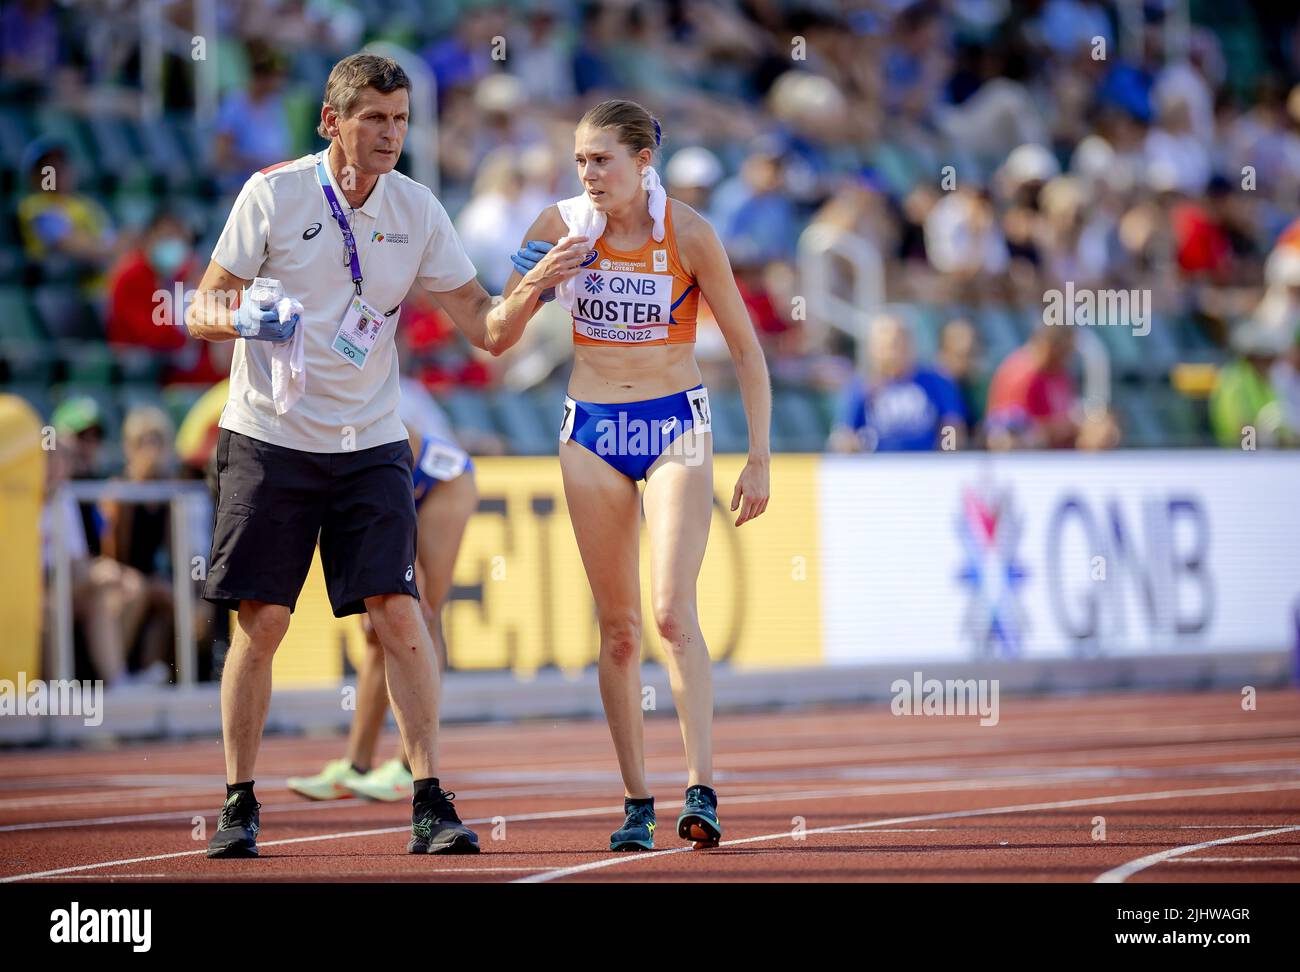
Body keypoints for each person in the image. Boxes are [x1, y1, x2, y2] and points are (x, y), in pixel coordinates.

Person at [184, 52, 584, 858]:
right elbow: (200, 305)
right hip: (271, 435)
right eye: (375, 119)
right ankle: (238, 802)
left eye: (401, 121)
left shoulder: (417, 207)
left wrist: (537, 282)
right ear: (332, 121)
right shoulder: (274, 193)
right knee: (262, 622)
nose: (391, 135)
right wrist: (245, 318)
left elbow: (487, 327)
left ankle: (430, 798)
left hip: (371, 439)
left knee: (401, 616)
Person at [506, 100, 771, 851]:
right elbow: (497, 331)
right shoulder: (554, 228)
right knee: (619, 630)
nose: (588, 174)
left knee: (668, 612)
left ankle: (702, 787)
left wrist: (758, 457)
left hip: (674, 426)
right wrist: (535, 283)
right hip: (589, 429)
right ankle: (633, 801)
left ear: (642, 161)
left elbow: (748, 353)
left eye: (602, 160)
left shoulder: (689, 233)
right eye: (580, 161)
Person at [287, 418, 477, 802]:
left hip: (439, 481)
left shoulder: (344, 422)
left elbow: (393, 515)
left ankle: (409, 766)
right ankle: (355, 765)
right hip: (385, 489)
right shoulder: (302, 452)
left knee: (420, 614)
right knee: (376, 631)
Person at [827, 313, 967, 452]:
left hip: (926, 466)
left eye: (899, 342)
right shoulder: (860, 387)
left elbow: (952, 424)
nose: (893, 351)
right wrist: (850, 445)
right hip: (876, 468)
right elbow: (842, 434)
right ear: (872, 349)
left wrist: (947, 447)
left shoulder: (936, 382)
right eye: (886, 345)